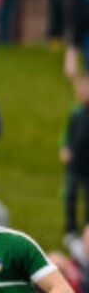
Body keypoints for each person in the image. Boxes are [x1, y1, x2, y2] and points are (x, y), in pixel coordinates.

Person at [60, 74, 89, 243]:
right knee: (70, 195)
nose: (82, 93)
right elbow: (68, 134)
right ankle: (71, 230)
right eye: (80, 89)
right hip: (74, 165)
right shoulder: (75, 114)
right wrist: (65, 148)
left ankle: (87, 231)